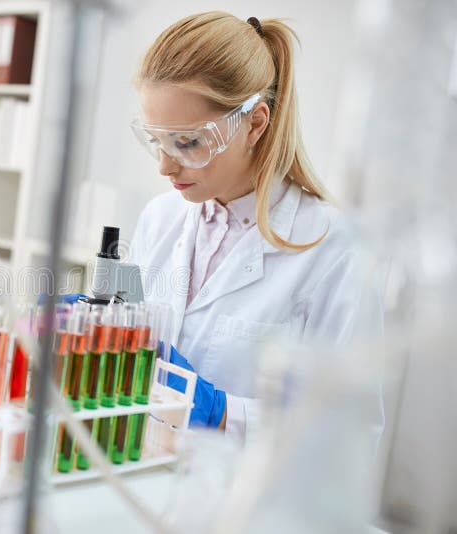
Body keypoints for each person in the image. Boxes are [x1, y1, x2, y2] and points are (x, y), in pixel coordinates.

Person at [127, 12, 384, 443]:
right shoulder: (160, 218)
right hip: (142, 482)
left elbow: (354, 436)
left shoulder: (335, 248)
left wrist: (227, 413)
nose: (164, 165)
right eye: (157, 139)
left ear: (255, 123)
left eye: (187, 142)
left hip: (247, 506)